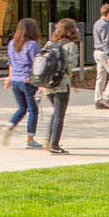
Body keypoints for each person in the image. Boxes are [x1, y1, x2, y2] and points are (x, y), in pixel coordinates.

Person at [36, 18, 81, 155]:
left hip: (48, 84)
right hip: (61, 85)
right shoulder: (71, 46)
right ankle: (54, 145)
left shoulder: (50, 44)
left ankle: (48, 140)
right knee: (59, 114)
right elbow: (71, 65)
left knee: (56, 112)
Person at [1, 18, 42, 149]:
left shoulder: (12, 43)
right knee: (33, 110)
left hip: (16, 80)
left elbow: (11, 63)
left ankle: (9, 126)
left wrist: (9, 78)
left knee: (22, 108)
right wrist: (41, 83)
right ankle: (30, 139)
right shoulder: (32, 45)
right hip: (28, 81)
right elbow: (37, 65)